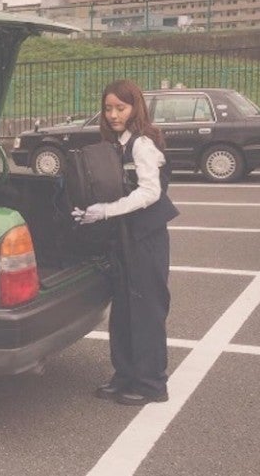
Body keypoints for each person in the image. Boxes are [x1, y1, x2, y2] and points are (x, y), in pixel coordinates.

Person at [72, 79, 179, 406]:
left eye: (121, 107)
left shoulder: (142, 144)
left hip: (145, 238)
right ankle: (125, 375)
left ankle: (151, 383)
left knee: (146, 309)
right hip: (125, 237)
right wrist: (90, 209)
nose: (114, 114)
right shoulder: (118, 143)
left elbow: (150, 192)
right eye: (108, 108)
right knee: (124, 310)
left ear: (135, 108)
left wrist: (106, 211)